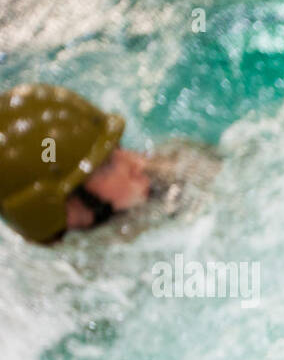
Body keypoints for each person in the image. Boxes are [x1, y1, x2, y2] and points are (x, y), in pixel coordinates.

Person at [0, 83, 219, 244]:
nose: (137, 162)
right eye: (106, 165)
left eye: (117, 148)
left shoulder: (170, 176)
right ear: (63, 209)